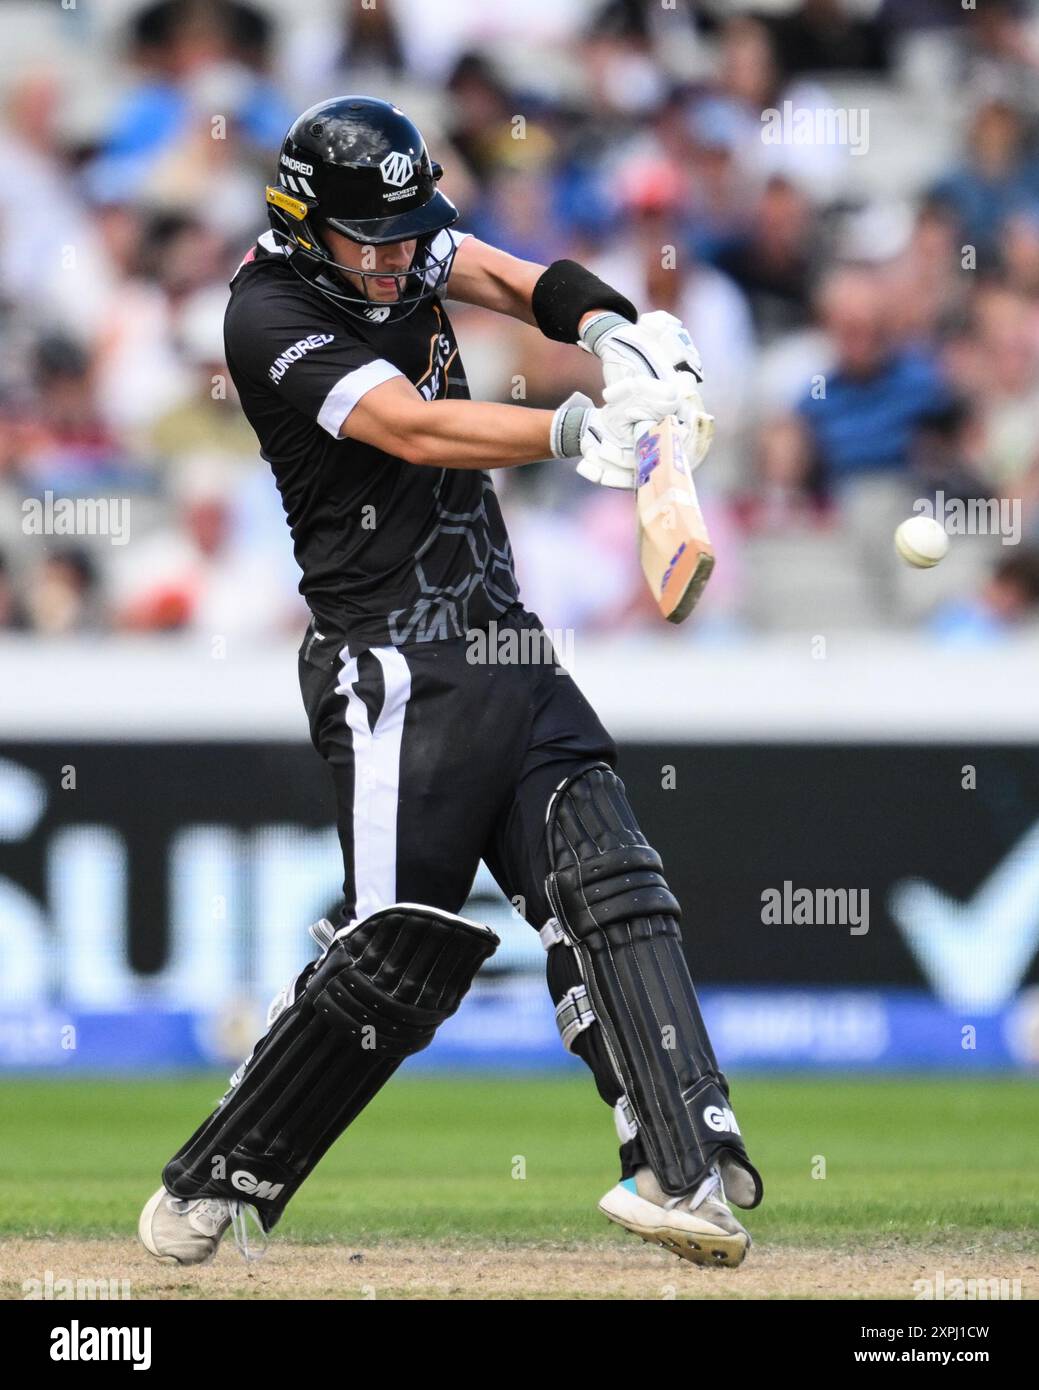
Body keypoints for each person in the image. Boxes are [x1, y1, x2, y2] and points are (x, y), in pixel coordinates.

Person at [136, 96, 762, 1269]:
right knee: (396, 959)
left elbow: (518, 280)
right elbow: (414, 428)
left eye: (400, 233)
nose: (389, 262)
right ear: (299, 222)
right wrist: (579, 435)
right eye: (363, 240)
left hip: (504, 638)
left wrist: (626, 336)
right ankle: (218, 1172)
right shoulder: (264, 313)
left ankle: (682, 1169)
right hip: (390, 668)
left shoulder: (401, 240)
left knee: (609, 878)